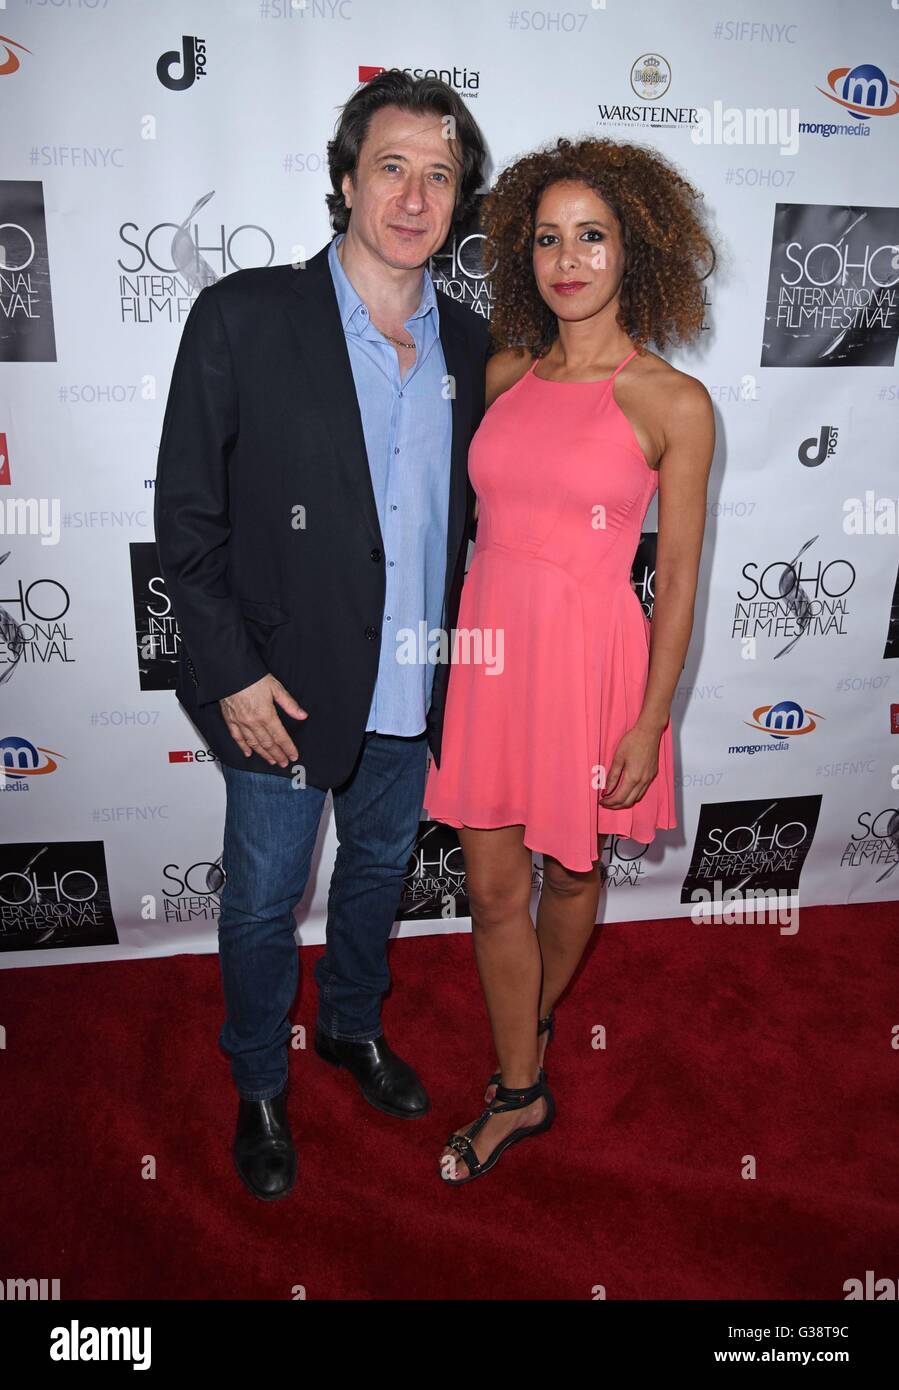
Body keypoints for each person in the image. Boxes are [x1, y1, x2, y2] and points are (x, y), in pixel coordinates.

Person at [154, 70, 489, 1200]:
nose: (412, 194)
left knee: (380, 869)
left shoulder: (479, 349)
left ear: (459, 200)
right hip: (280, 690)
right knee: (259, 899)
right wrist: (232, 670)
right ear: (345, 178)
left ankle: (348, 1027)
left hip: (414, 685)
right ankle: (257, 1079)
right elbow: (185, 519)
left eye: (438, 174)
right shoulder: (245, 317)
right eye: (390, 165)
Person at [423, 137, 716, 1184]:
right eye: (546, 238)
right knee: (493, 887)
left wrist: (648, 720)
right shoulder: (503, 371)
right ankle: (522, 1075)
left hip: (591, 664)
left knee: (575, 867)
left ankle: (520, 1050)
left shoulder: (669, 401)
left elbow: (675, 580)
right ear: (521, 254)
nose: (567, 258)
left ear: (632, 250)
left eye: (590, 235)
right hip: (492, 656)